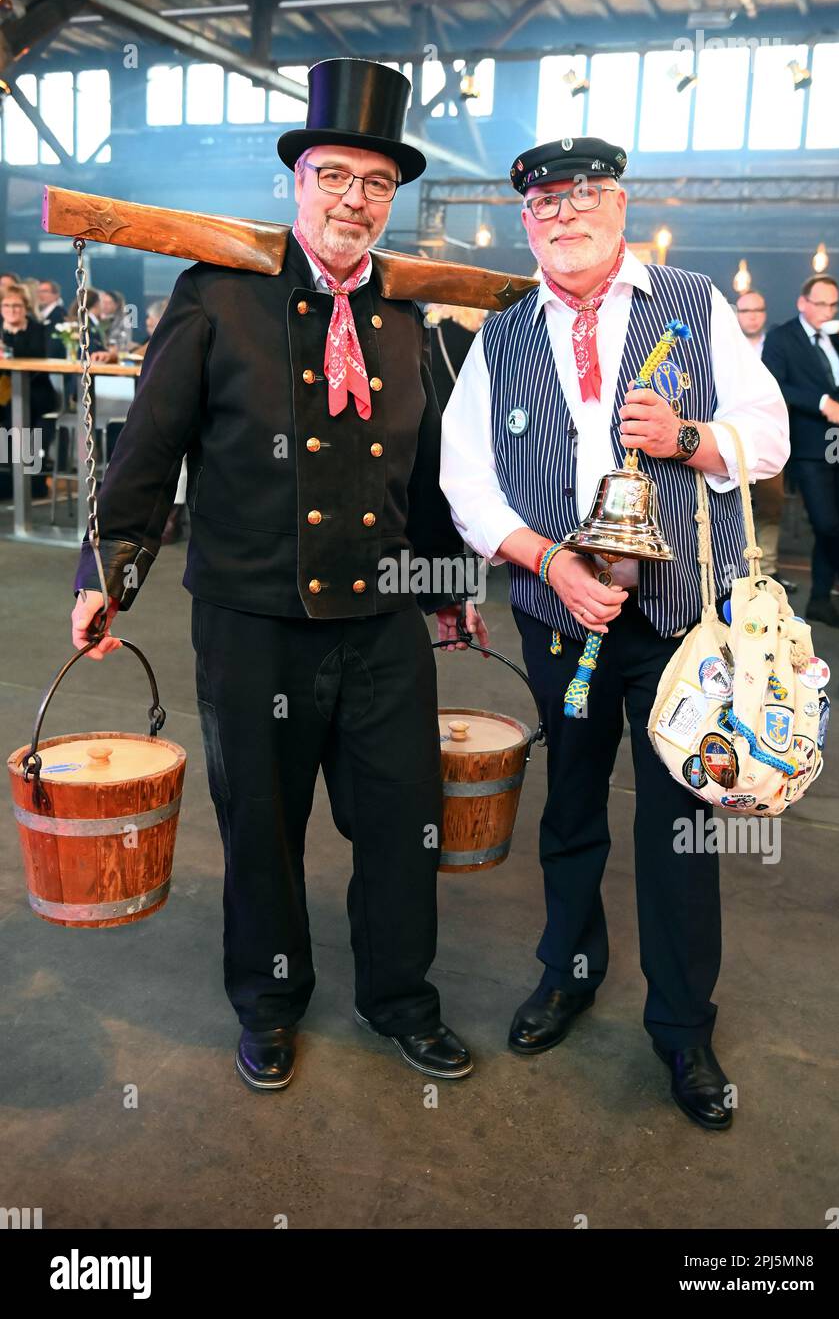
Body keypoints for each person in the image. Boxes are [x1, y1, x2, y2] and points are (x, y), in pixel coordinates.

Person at [70, 58, 486, 1094]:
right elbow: (150, 448)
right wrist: (107, 572)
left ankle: (401, 997)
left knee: (401, 820)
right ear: (298, 182)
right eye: (336, 176)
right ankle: (268, 1002)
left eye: (377, 184)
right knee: (263, 825)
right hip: (253, 618)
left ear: (394, 200)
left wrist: (449, 585)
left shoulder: (407, 318)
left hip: (383, 620)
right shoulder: (218, 296)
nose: (354, 200)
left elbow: (428, 478)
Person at [441, 136, 789, 1131]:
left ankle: (683, 1028)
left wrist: (684, 436)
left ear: (620, 206)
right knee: (573, 806)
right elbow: (467, 481)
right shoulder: (502, 335)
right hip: (562, 618)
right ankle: (571, 970)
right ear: (526, 225)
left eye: (585, 195)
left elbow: (768, 434)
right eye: (546, 204)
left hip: (682, 624)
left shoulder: (691, 301)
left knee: (680, 823)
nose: (566, 213)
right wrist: (549, 562)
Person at [763, 275, 839, 629]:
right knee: (825, 522)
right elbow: (774, 385)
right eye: (820, 303)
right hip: (809, 441)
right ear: (802, 303)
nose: (827, 311)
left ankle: (821, 598)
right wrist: (821, 403)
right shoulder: (782, 337)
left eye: (833, 305)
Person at [734, 290, 795, 592]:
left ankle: (767, 572)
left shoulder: (777, 346)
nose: (752, 316)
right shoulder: (724, 345)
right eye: (746, 311)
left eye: (758, 309)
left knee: (771, 507)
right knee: (731, 508)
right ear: (736, 314)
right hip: (731, 439)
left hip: (767, 441)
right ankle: (733, 571)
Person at [0, 282, 59, 487]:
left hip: (35, 392)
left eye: (16, 306)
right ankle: (8, 481)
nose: (11, 311)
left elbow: (39, 356)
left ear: (25, 308)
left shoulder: (37, 329)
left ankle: (30, 484)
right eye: (6, 306)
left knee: (17, 416)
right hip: (5, 393)